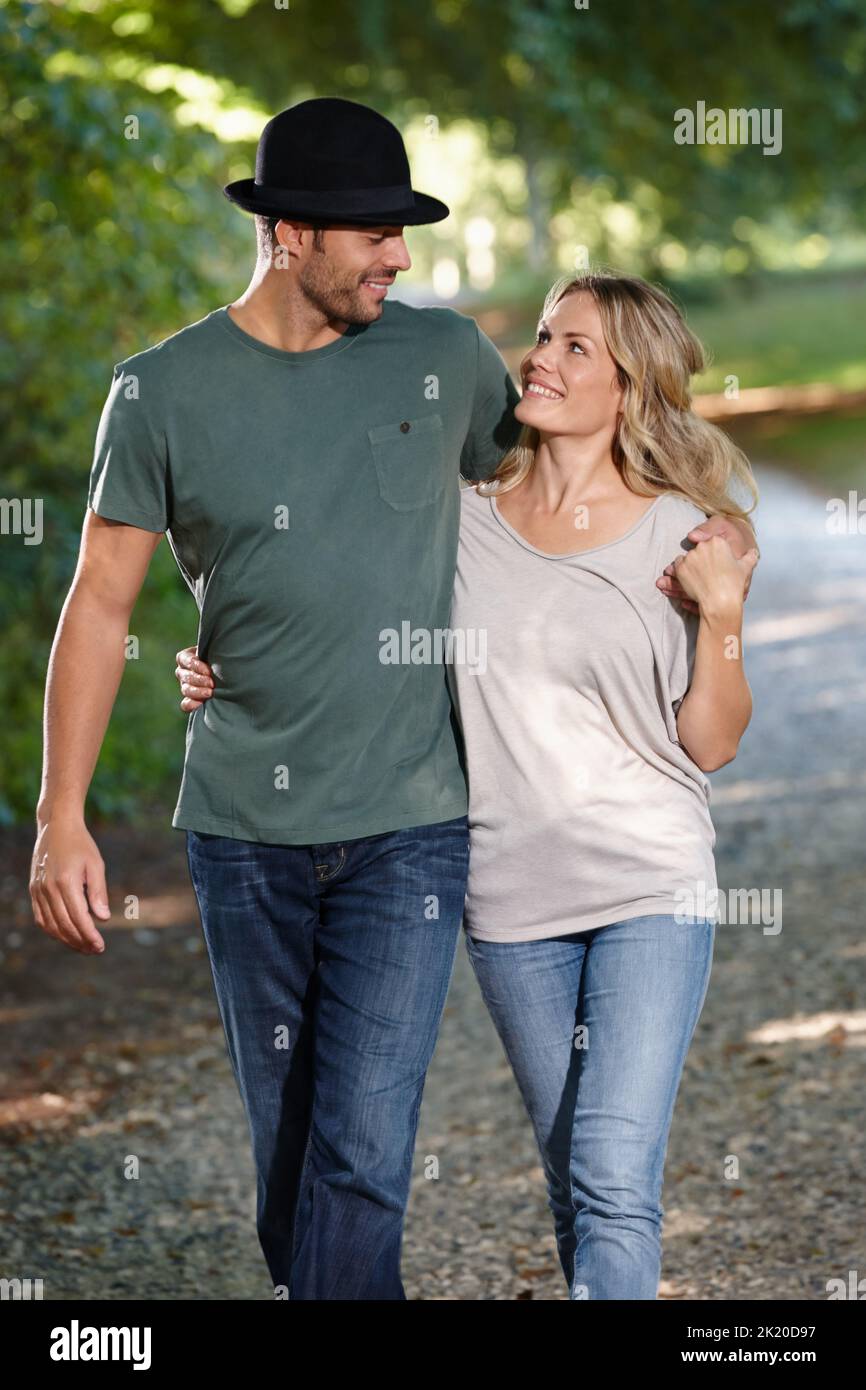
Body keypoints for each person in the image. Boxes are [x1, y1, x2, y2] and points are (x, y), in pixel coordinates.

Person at [31, 94, 755, 1301]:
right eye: (375, 233)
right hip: (242, 834)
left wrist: (709, 547)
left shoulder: (440, 358)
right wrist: (66, 812)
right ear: (288, 232)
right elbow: (100, 603)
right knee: (291, 1155)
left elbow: (569, 486)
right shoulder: (158, 391)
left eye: (404, 231)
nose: (400, 256)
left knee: (363, 1154)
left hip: (414, 832)